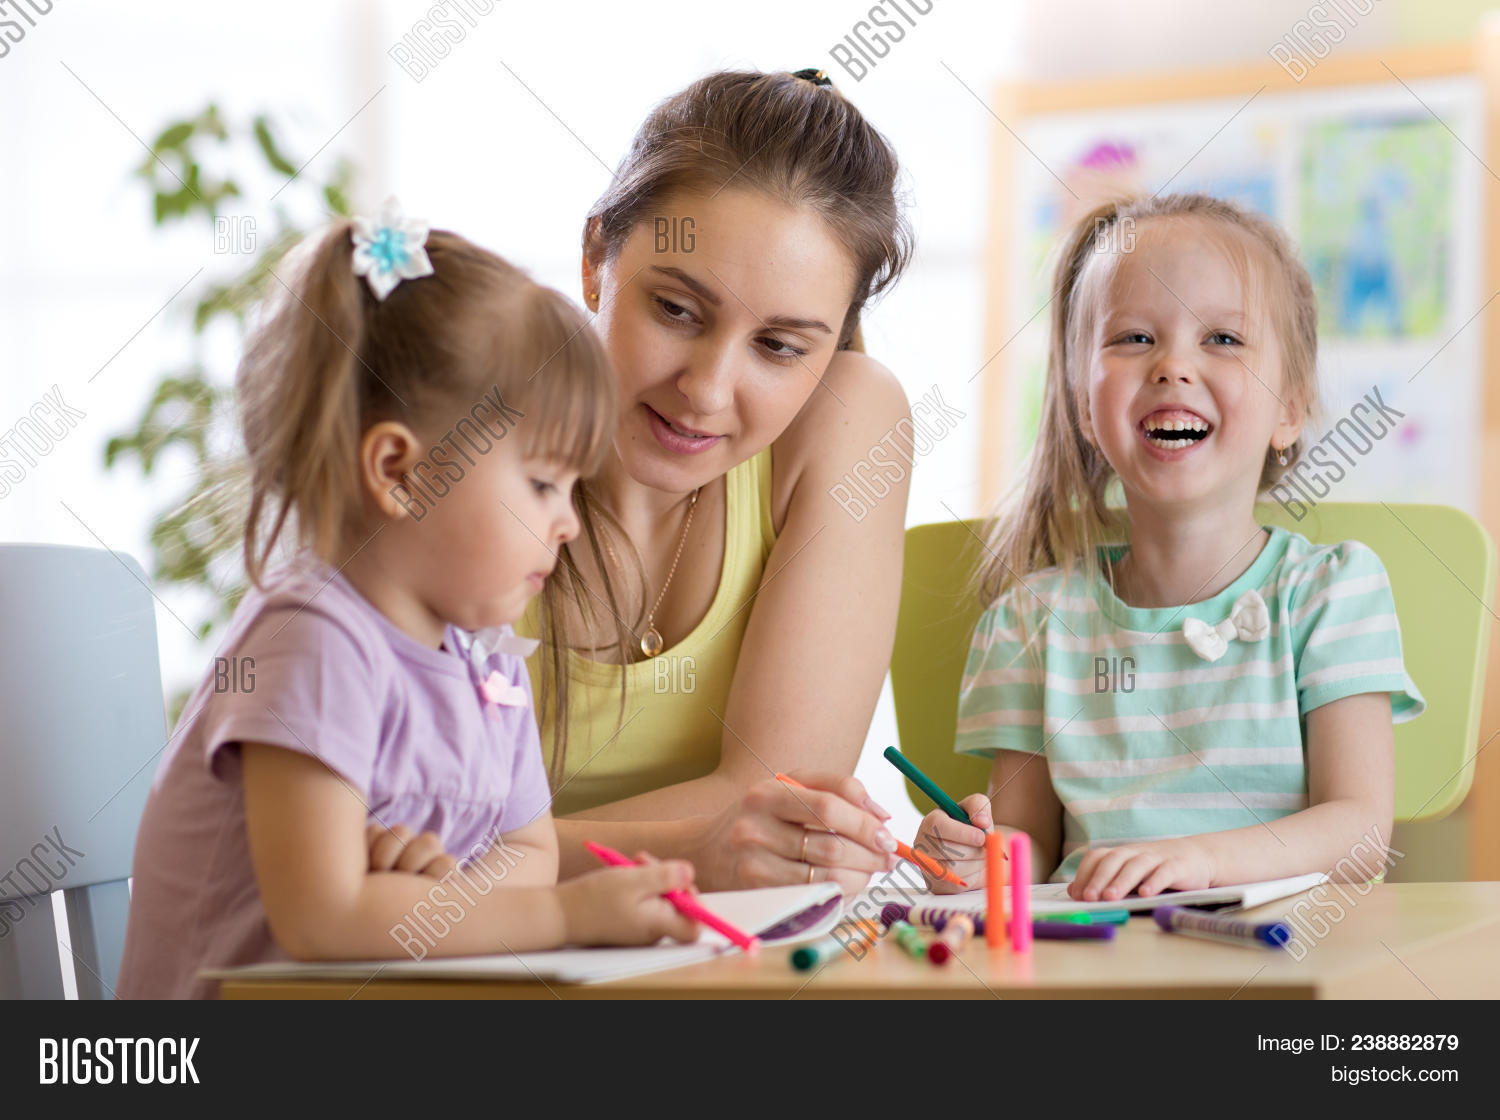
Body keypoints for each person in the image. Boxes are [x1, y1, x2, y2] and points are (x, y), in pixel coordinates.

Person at [118, 206, 698, 998]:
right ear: (400, 470)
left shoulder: (489, 659)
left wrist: (430, 895)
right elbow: (323, 915)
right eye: (540, 483)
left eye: (572, 487)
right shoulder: (311, 641)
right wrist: (564, 918)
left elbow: (526, 852)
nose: (568, 522)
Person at [915, 194, 1423, 899]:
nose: (1173, 366)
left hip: (1277, 966)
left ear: (1290, 408)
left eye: (1222, 339)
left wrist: (1201, 860)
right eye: (1133, 338)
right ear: (1084, 405)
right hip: (1092, 968)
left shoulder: (1331, 594)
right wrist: (979, 864)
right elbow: (1027, 850)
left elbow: (1361, 833)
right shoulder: (1031, 622)